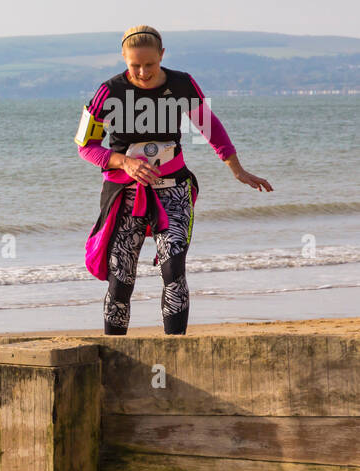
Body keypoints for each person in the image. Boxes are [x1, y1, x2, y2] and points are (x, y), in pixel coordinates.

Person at [77, 25, 273, 335]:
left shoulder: (182, 84)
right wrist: (124, 162)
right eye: (134, 65)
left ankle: (175, 350)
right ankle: (113, 356)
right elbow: (86, 147)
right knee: (122, 278)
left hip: (174, 190)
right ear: (124, 59)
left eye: (150, 65)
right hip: (125, 193)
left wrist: (237, 168)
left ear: (162, 56)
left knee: (174, 270)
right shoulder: (109, 91)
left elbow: (210, 126)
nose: (142, 72)